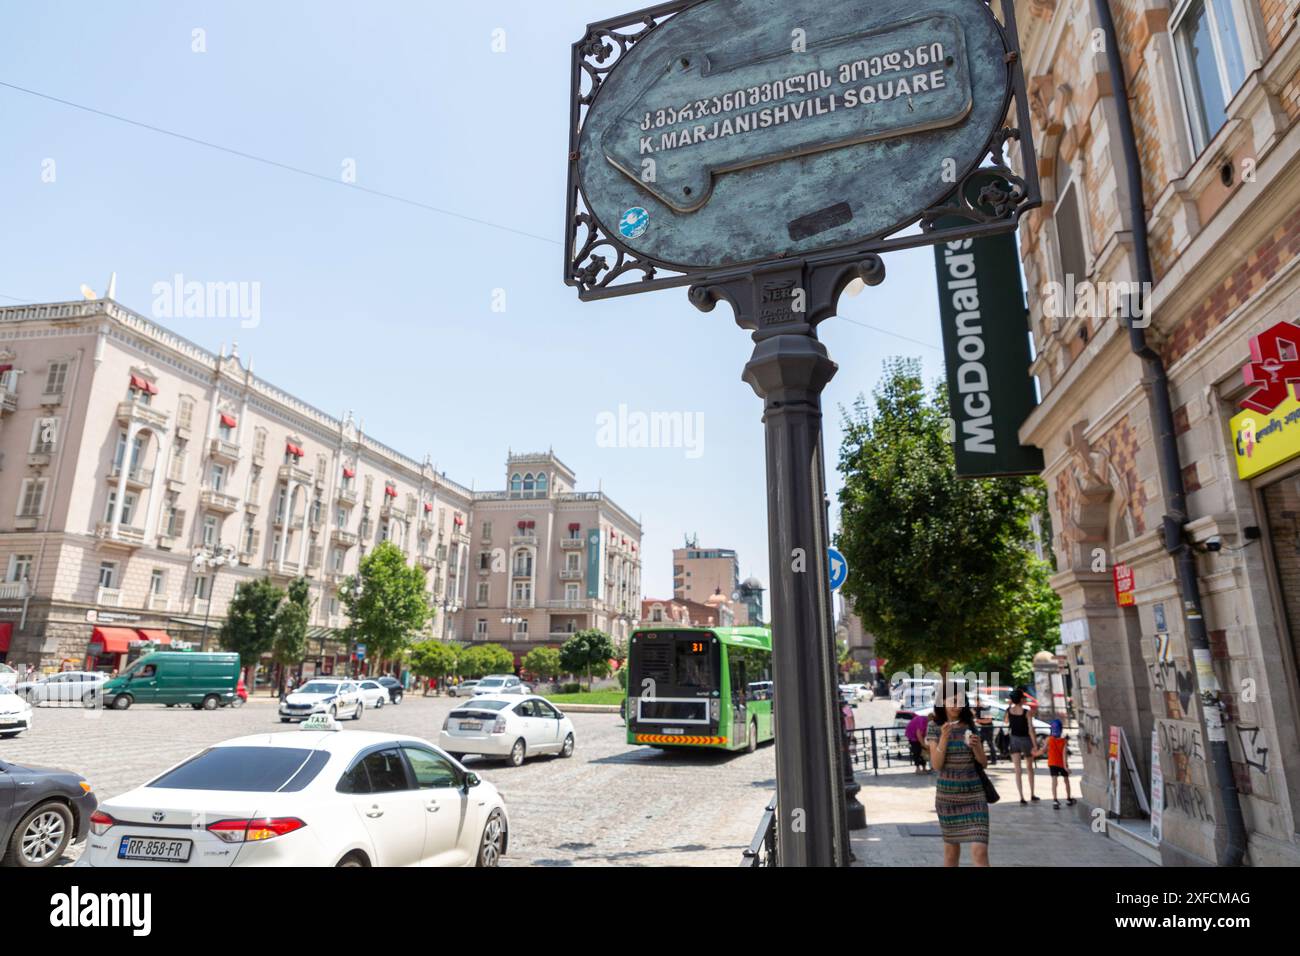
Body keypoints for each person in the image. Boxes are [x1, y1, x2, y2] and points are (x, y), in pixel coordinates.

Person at [926, 687, 990, 866]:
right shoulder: (934, 727)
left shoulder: (970, 726)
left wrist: (976, 747)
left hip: (974, 795)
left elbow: (983, 763)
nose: (957, 706)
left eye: (961, 702)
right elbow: (937, 765)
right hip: (948, 797)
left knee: (980, 851)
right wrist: (944, 738)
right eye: (953, 701)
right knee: (951, 854)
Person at [1006, 689, 1039, 804]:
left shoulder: (1009, 710)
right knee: (1029, 768)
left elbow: (1006, 722)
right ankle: (1032, 794)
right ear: (1021, 699)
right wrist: (1035, 745)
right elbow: (1030, 729)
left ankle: (1021, 796)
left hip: (1014, 739)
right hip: (1026, 740)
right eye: (1024, 697)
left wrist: (1010, 707)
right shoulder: (1027, 712)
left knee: (1017, 770)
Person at [1044, 719, 1076, 809]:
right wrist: (1065, 767)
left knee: (1054, 781)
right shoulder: (1064, 741)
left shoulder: (1049, 739)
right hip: (1062, 764)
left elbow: (1043, 749)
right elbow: (1064, 754)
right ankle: (1068, 798)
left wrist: (1035, 753)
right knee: (1066, 781)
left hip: (1052, 763)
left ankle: (1055, 800)